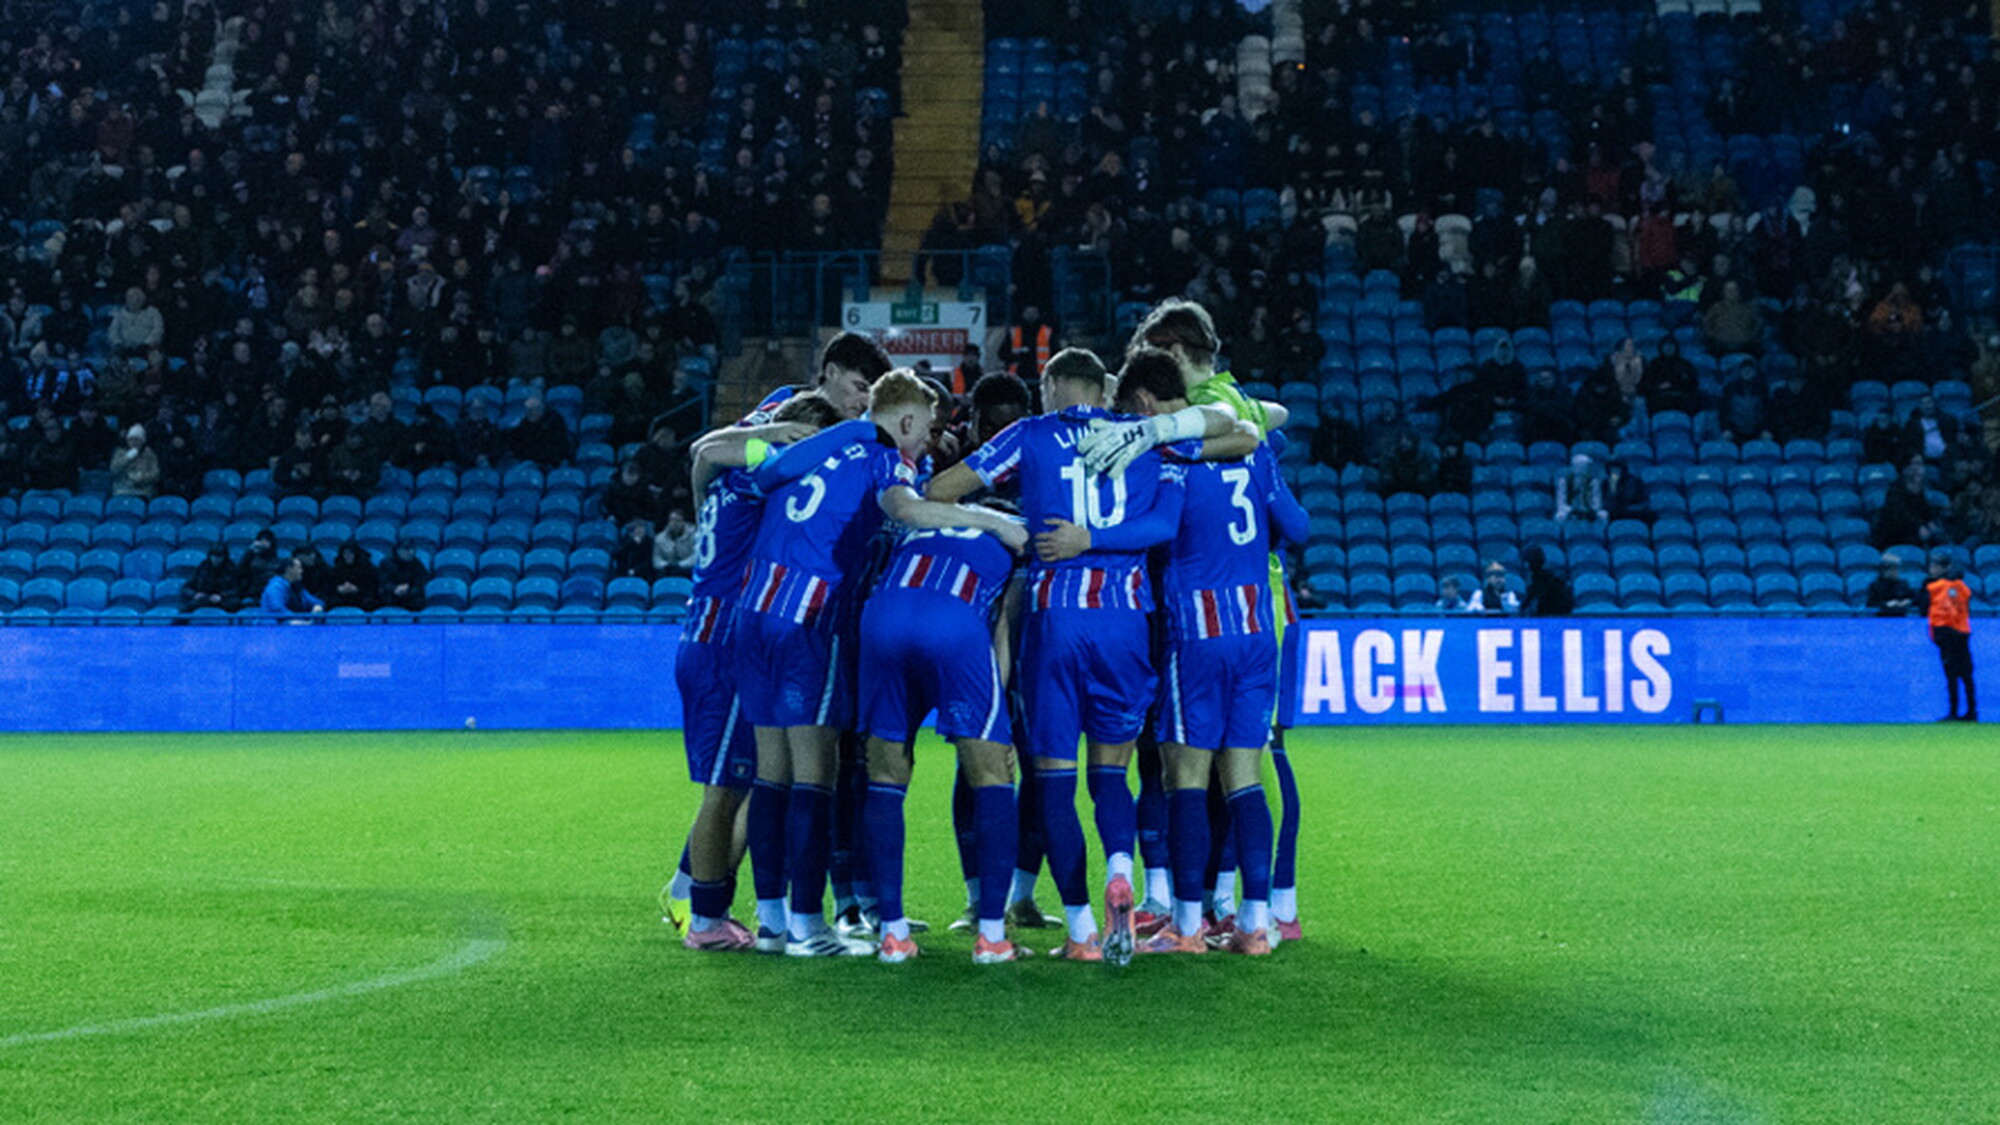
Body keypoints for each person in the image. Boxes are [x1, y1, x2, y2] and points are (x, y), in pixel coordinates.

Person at [927, 347, 1247, 966]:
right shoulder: (1144, 438)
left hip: (1056, 621)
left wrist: (1001, 520)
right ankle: (1121, 869)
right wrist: (1158, 431)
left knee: (1053, 779)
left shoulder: (1030, 433)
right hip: (1127, 622)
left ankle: (1080, 932)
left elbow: (943, 488)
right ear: (1100, 391)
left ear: (1049, 387)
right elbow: (1229, 442)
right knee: (1111, 774)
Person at [736, 371, 991, 958]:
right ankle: (807, 925)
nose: (928, 443)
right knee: (813, 776)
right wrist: (992, 522)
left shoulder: (826, 445)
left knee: (771, 773)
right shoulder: (887, 459)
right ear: (904, 421)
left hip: (753, 611)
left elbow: (765, 473)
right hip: (809, 613)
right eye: (926, 430)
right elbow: (909, 508)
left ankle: (771, 920)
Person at [1112, 350, 1305, 957]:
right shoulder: (1252, 452)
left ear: (1145, 405)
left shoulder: (1167, 458)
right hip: (1257, 630)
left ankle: (1188, 926)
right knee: (1246, 778)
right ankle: (1255, 924)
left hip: (1196, 630)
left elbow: (1156, 533)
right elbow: (1298, 529)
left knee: (1186, 779)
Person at [670, 391, 845, 953]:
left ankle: (713, 906)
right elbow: (706, 448)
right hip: (724, 643)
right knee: (723, 790)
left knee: (740, 781)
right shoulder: (759, 483)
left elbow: (702, 457)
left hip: (706, 632)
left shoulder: (723, 487)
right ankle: (703, 916)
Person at [1924, 551, 1977, 722]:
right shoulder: (1962, 588)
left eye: (1935, 566)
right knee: (1966, 674)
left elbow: (1927, 607)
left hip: (1946, 632)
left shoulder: (1934, 587)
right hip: (1962, 631)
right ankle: (1971, 711)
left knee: (1951, 675)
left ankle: (1953, 712)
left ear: (1943, 568)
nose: (1932, 569)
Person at [180, 543, 242, 614]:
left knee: (235, 603)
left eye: (219, 557)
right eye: (213, 556)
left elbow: (237, 589)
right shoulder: (202, 568)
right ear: (210, 556)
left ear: (224, 557)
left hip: (224, 600)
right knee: (186, 608)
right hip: (203, 598)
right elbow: (186, 587)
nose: (216, 560)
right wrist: (194, 594)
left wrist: (222, 596)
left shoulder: (231, 568)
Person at [260, 555, 325, 620]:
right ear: (289, 569)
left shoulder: (297, 587)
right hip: (273, 626)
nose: (302, 571)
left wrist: (317, 607)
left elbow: (316, 602)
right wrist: (299, 620)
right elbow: (278, 610)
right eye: (299, 568)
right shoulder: (276, 587)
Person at [1520, 546, 1575, 616]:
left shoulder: (1542, 578)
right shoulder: (1543, 576)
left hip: (1553, 613)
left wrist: (1522, 607)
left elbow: (1533, 594)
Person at [109, 425, 161, 499]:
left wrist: (142, 478)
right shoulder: (119, 453)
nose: (134, 442)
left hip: (143, 492)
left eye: (137, 439)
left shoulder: (150, 455)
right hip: (122, 490)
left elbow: (155, 475)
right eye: (131, 439)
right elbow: (113, 471)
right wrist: (127, 458)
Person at [328, 541, 381, 612]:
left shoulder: (367, 567)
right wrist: (339, 589)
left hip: (362, 597)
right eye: (345, 554)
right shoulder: (337, 567)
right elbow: (329, 585)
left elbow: (372, 587)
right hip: (341, 597)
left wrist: (357, 589)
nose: (348, 556)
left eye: (350, 553)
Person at [1555, 453, 1606, 522]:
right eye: (1580, 466)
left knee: (1603, 515)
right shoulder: (1564, 481)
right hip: (1570, 509)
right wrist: (1572, 510)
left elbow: (1597, 503)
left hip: (1589, 509)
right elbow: (1561, 503)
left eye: (1586, 466)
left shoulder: (1594, 482)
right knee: (1560, 516)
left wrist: (1589, 510)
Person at [380, 542, 429, 612]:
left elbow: (421, 582)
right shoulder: (386, 563)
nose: (411, 552)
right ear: (398, 551)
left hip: (411, 598)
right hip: (390, 596)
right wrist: (394, 588)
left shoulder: (418, 564)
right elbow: (383, 581)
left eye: (412, 549)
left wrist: (408, 589)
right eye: (407, 549)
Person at [652, 510, 697, 576]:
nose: (674, 523)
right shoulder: (660, 538)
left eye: (678, 521)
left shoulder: (694, 536)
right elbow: (656, 559)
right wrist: (666, 565)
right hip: (667, 571)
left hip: (688, 570)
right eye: (671, 520)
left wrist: (680, 565)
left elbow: (695, 557)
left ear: (683, 522)